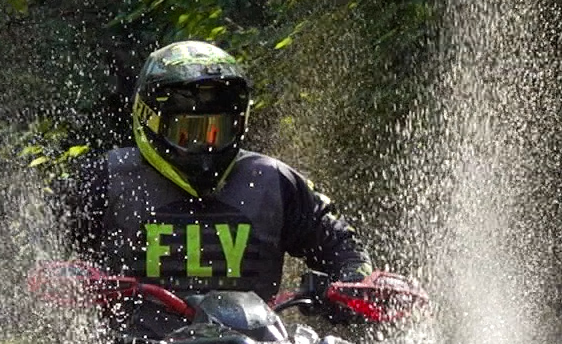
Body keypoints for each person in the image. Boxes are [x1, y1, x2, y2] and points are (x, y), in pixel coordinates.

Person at [53, 40, 371, 301]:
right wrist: (68, 278)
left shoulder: (273, 180)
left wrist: (351, 283)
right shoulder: (105, 179)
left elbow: (342, 247)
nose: (205, 145)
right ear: (149, 119)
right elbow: (49, 251)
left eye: (218, 130)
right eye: (188, 132)